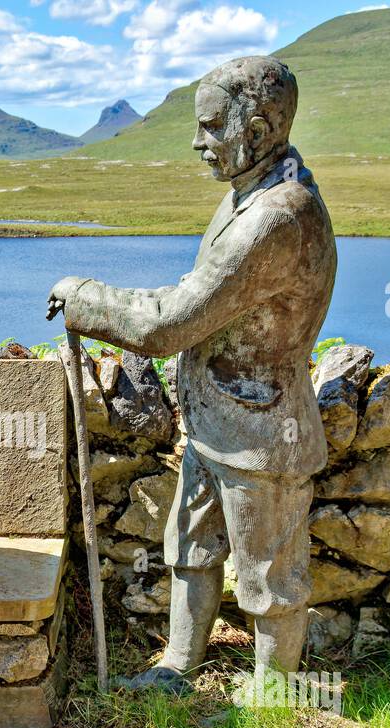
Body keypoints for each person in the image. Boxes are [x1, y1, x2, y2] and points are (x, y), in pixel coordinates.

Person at [48, 56, 336, 689]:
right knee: (190, 550)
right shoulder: (252, 190)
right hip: (218, 418)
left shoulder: (275, 216)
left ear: (257, 131)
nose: (198, 143)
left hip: (264, 431)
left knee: (270, 576)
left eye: (210, 127)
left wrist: (87, 298)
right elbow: (201, 298)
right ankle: (179, 664)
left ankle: (274, 692)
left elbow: (171, 322)